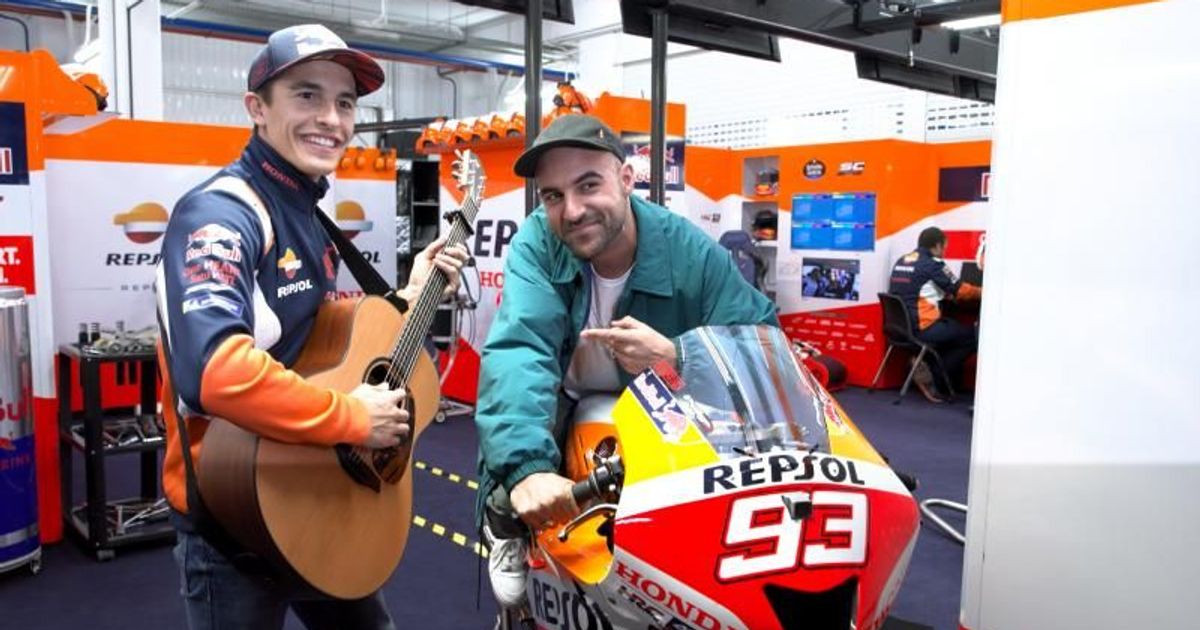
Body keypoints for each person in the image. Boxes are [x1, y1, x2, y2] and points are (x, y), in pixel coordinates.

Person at [155, 24, 469, 629]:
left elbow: (318, 346)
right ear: (257, 109)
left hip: (316, 486)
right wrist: (353, 418)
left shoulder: (306, 211)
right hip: (233, 516)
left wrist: (410, 293)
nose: (331, 118)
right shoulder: (222, 213)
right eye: (306, 95)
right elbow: (213, 372)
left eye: (345, 102)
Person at [473, 114, 779, 609]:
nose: (571, 210)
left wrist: (679, 356)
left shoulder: (691, 253)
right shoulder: (537, 241)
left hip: (659, 401)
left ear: (627, 179)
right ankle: (504, 525)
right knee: (514, 477)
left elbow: (762, 342)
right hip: (565, 396)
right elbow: (521, 349)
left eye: (588, 185)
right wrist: (526, 471)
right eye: (553, 196)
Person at [888, 226, 982, 402]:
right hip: (922, 328)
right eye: (945, 247)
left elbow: (917, 288)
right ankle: (934, 376)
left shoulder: (903, 260)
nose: (944, 252)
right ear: (938, 245)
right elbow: (961, 291)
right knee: (973, 336)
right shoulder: (933, 264)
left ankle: (925, 366)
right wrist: (985, 291)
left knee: (952, 329)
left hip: (899, 327)